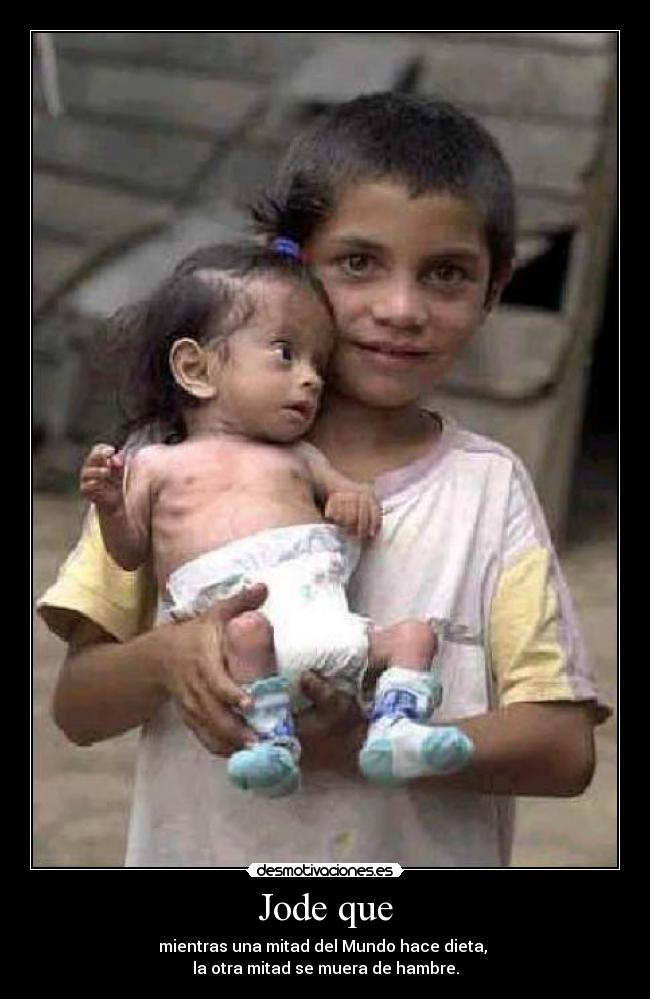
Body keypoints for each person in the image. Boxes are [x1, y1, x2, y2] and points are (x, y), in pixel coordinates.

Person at [38, 92, 610, 867]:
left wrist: (355, 747)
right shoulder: (168, 465)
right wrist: (168, 657)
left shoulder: (488, 491)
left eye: (446, 274)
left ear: (495, 289)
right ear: (287, 259)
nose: (401, 308)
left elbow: (564, 748)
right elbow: (78, 707)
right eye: (358, 263)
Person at [78, 241, 459, 798]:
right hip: (247, 642)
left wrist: (351, 498)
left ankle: (397, 727)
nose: (311, 380)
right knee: (248, 631)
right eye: (286, 353)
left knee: (413, 636)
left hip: (327, 623)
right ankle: (272, 741)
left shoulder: (299, 457)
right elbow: (132, 550)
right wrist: (112, 505)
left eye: (319, 365)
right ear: (195, 368)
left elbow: (345, 492)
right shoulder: (156, 463)